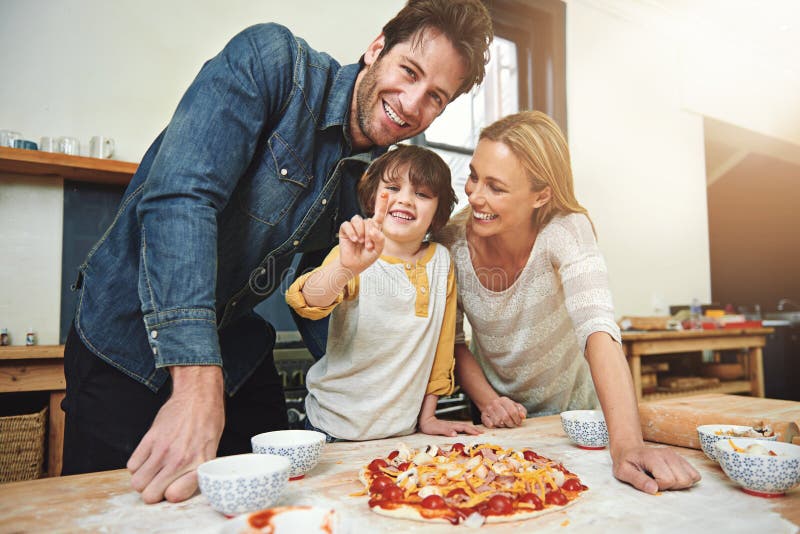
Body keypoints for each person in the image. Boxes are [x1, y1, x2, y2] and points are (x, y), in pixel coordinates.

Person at [61, 0, 493, 504]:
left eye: (435, 97)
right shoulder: (274, 62)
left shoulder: (371, 174)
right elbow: (180, 199)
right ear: (377, 48)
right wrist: (198, 384)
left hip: (236, 347)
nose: (413, 103)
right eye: (409, 72)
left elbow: (318, 296)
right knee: (117, 509)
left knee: (276, 501)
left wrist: (393, 386)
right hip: (125, 336)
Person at [435, 110, 701, 494]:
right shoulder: (452, 242)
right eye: (474, 176)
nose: (474, 195)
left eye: (496, 186)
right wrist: (490, 402)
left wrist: (627, 445)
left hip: (577, 419)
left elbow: (598, 328)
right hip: (497, 415)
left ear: (540, 195)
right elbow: (453, 341)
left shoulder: (565, 231)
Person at [286, 146, 480, 442]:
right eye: (392, 187)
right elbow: (309, 302)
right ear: (372, 196)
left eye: (422, 194)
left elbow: (441, 350)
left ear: (438, 213)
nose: (404, 199)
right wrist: (346, 268)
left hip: (401, 433)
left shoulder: (442, 261)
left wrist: (428, 416)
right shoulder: (353, 252)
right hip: (332, 428)